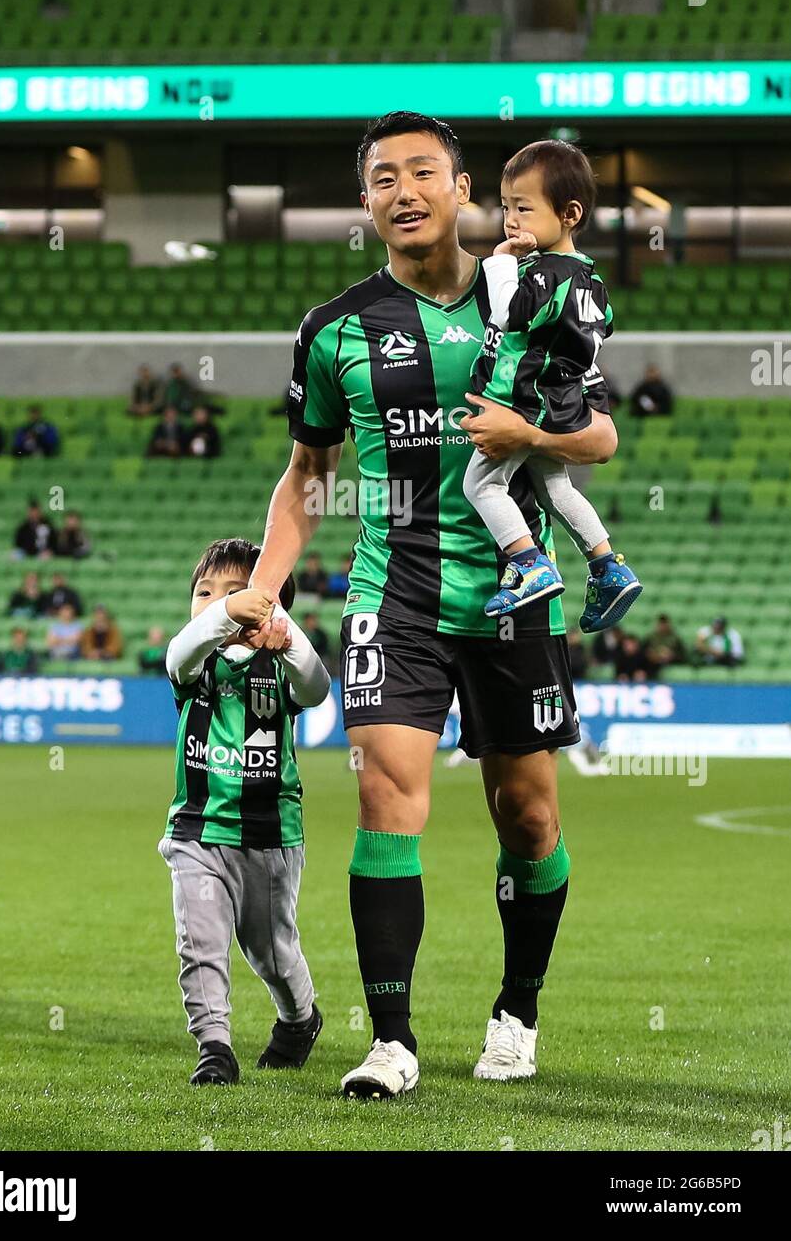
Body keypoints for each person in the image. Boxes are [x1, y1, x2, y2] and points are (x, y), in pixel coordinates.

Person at [248, 110, 618, 1098]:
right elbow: (306, 475)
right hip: (392, 591)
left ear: (465, 192)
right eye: (381, 178)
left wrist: (527, 434)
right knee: (383, 793)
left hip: (512, 592)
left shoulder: (533, 294)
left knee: (527, 821)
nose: (402, 190)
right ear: (364, 203)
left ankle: (516, 1012)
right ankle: (391, 1039)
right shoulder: (334, 329)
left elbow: (599, 439)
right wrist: (262, 584)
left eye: (422, 172)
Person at [158, 536, 329, 1085]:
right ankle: (214, 1046)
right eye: (203, 592)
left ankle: (299, 1019)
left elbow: (319, 686)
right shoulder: (194, 667)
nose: (215, 600)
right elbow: (179, 650)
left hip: (272, 835)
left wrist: (284, 634)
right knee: (200, 942)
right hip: (197, 832)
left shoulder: (280, 665)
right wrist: (228, 612)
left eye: (234, 591)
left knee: (272, 953)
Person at [462, 140, 641, 633]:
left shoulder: (542, 273)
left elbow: (509, 313)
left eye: (523, 208)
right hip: (563, 401)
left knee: (480, 483)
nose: (511, 220)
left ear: (569, 214)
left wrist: (500, 261)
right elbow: (602, 327)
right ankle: (607, 565)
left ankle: (527, 562)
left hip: (522, 402)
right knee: (554, 486)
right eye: (505, 208)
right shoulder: (592, 281)